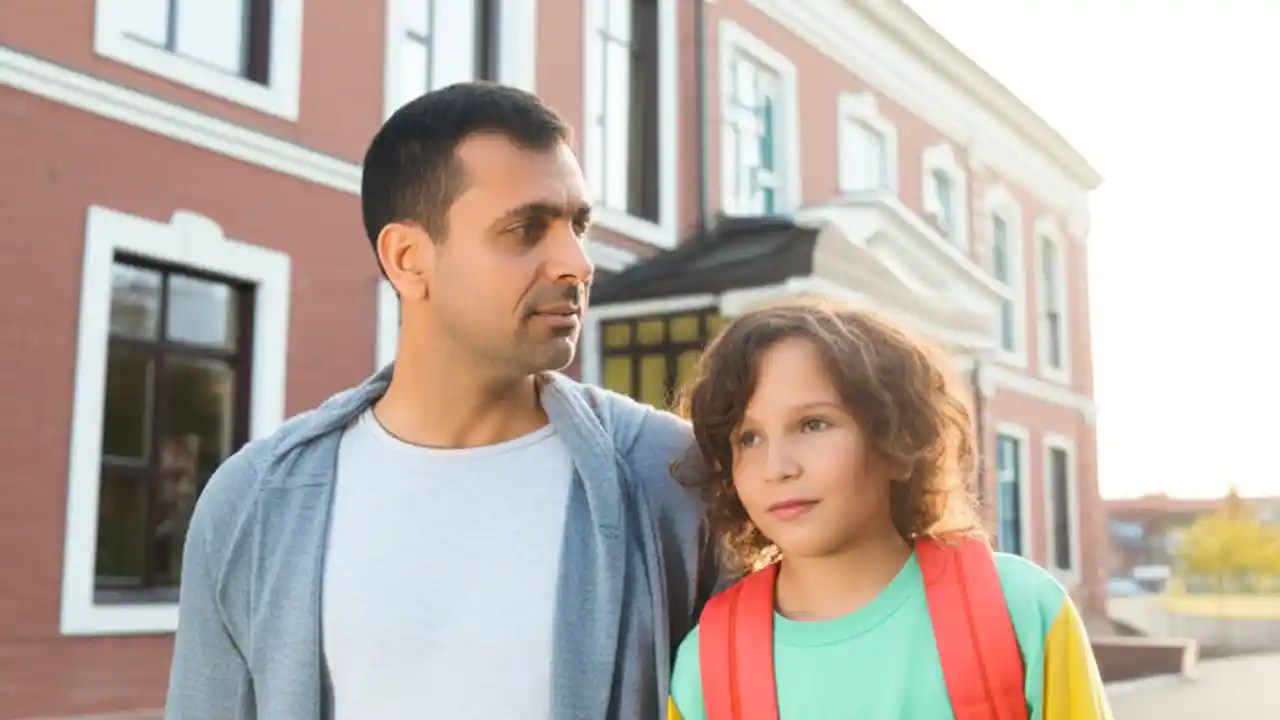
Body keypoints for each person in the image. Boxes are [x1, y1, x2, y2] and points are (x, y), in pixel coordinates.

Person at [165, 82, 721, 720]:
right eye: (524, 229)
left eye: (578, 226)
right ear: (408, 259)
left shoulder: (668, 477)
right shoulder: (253, 503)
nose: (576, 263)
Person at [666, 299, 1112, 719]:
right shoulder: (707, 663)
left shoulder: (1018, 610)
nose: (776, 467)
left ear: (898, 444)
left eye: (813, 424)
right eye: (749, 437)